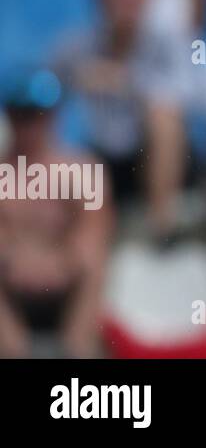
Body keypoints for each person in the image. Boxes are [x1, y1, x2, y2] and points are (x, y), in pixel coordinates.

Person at [52, 0, 187, 235]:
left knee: (165, 121)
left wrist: (127, 82)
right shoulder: (75, 48)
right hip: (96, 153)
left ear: (146, 0)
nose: (126, 7)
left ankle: (161, 227)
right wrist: (76, 82)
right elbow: (43, 91)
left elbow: (184, 97)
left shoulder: (167, 44)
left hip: (142, 154)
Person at [0, 70, 113, 358]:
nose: (30, 125)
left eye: (38, 114)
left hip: (65, 282)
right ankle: (12, 350)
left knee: (94, 259)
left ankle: (77, 349)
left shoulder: (81, 170)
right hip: (12, 284)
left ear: (54, 115)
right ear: (10, 116)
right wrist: (17, 258)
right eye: (22, 114)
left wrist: (60, 263)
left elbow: (94, 231)